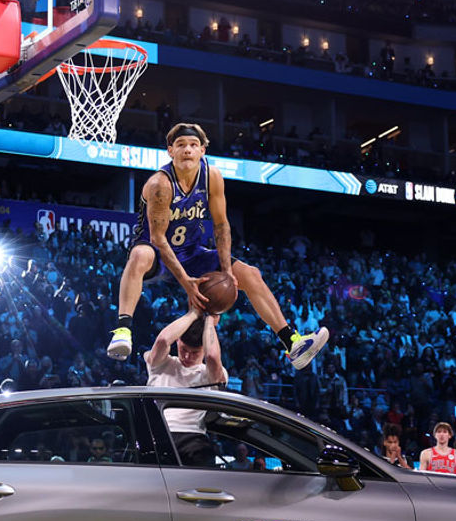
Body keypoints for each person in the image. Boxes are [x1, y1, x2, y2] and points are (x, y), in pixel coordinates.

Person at [108, 123, 328, 371]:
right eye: (180, 145)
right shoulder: (161, 183)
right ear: (170, 151)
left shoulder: (212, 177)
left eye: (193, 145)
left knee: (250, 274)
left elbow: (222, 226)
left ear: (202, 150)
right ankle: (123, 329)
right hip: (158, 253)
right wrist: (186, 283)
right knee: (139, 254)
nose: (187, 150)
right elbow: (159, 238)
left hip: (193, 252)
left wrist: (228, 272)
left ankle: (292, 343)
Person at [145, 307, 227, 467]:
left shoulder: (210, 373)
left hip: (193, 438)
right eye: (183, 349)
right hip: (157, 434)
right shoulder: (161, 363)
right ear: (177, 341)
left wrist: (209, 320)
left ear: (203, 349)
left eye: (195, 352)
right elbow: (162, 340)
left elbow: (212, 356)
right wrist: (194, 313)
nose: (188, 356)